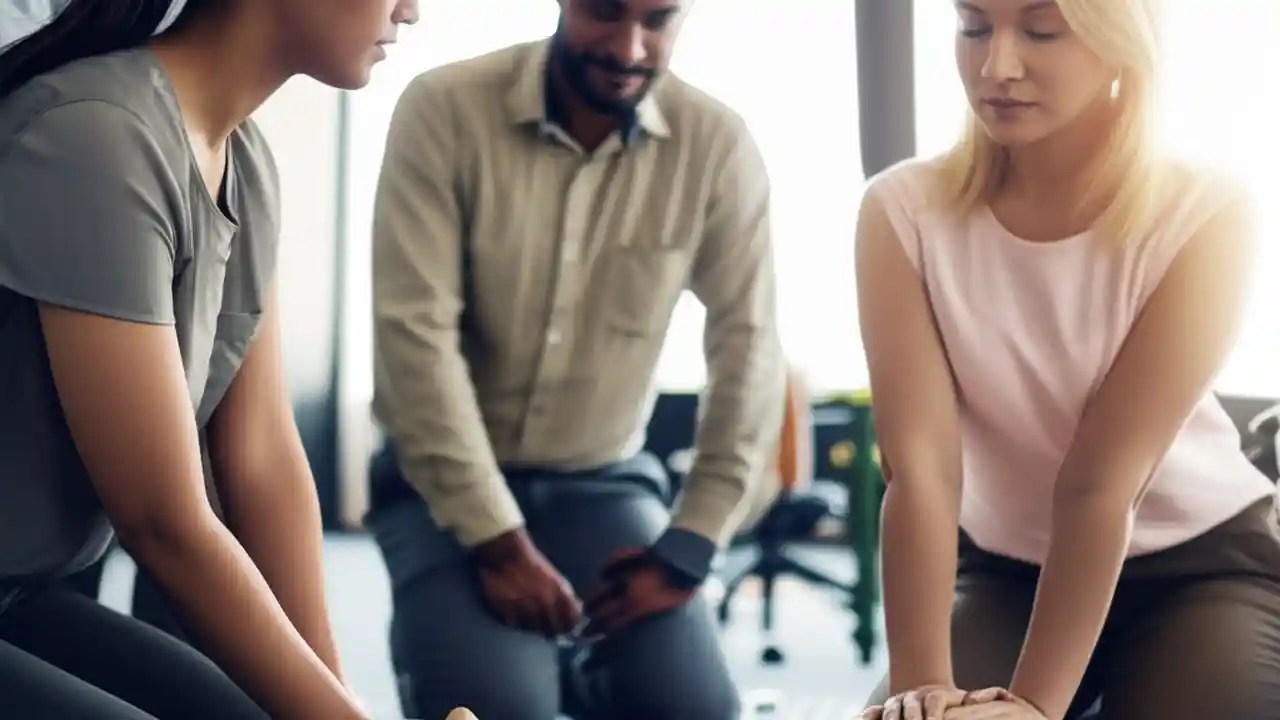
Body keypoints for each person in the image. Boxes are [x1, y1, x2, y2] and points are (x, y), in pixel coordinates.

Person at [856, 1, 1280, 719]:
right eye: (973, 26)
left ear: (1121, 45)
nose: (997, 66)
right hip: (1007, 568)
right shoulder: (900, 211)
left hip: (1200, 565)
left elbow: (1100, 482)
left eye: (1042, 30)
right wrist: (920, 690)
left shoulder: (1208, 211)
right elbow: (921, 468)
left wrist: (1033, 708)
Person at [366, 0, 786, 718]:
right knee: (498, 707)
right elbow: (415, 340)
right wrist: (498, 545)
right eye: (604, 12)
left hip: (601, 481)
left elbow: (749, 348)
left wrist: (689, 548)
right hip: (441, 489)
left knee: (695, 710)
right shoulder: (443, 108)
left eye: (658, 20)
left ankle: (580, 670)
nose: (629, 47)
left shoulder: (716, 144)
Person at [0, 0, 418, 718]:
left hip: (23, 592)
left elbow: (260, 460)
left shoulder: (246, 158)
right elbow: (160, 519)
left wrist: (339, 699)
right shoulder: (93, 133)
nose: (411, 12)